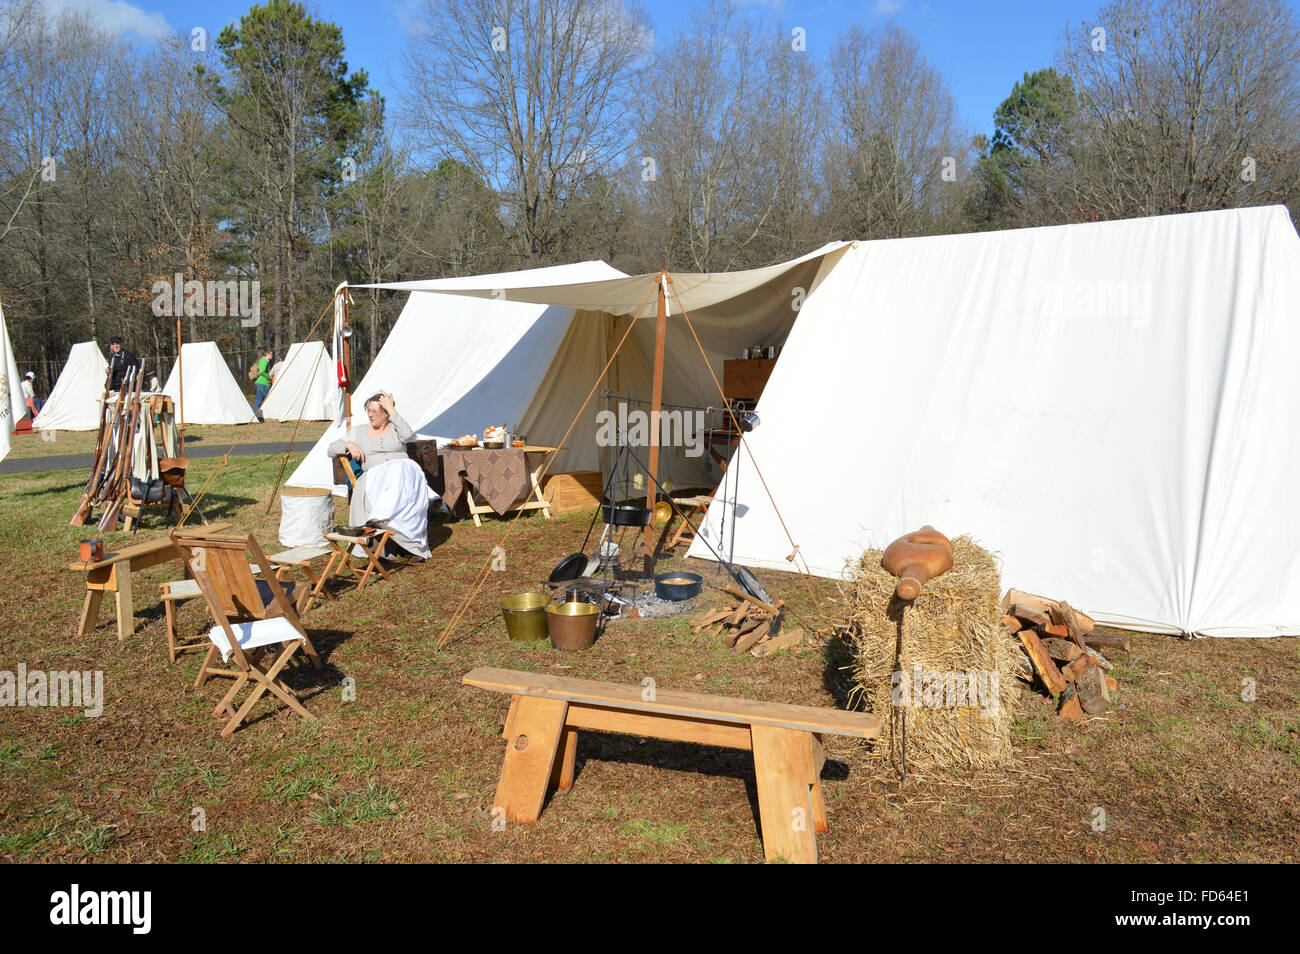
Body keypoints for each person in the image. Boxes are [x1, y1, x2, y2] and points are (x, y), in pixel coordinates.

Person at [327, 391, 434, 560]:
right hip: (377, 478)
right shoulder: (359, 431)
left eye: (375, 411)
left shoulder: (396, 428)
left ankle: (410, 545)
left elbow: (408, 435)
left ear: (386, 413)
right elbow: (331, 449)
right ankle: (382, 526)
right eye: (368, 410)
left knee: (401, 477)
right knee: (392, 481)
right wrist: (348, 444)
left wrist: (393, 410)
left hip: (404, 474)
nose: (370, 415)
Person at [251, 348, 273, 422]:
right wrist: (268, 376)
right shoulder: (264, 360)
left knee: (261, 399)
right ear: (267, 354)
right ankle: (255, 414)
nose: (271, 356)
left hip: (263, 383)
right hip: (262, 383)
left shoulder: (265, 361)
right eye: (270, 354)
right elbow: (261, 371)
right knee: (262, 399)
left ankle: (257, 414)